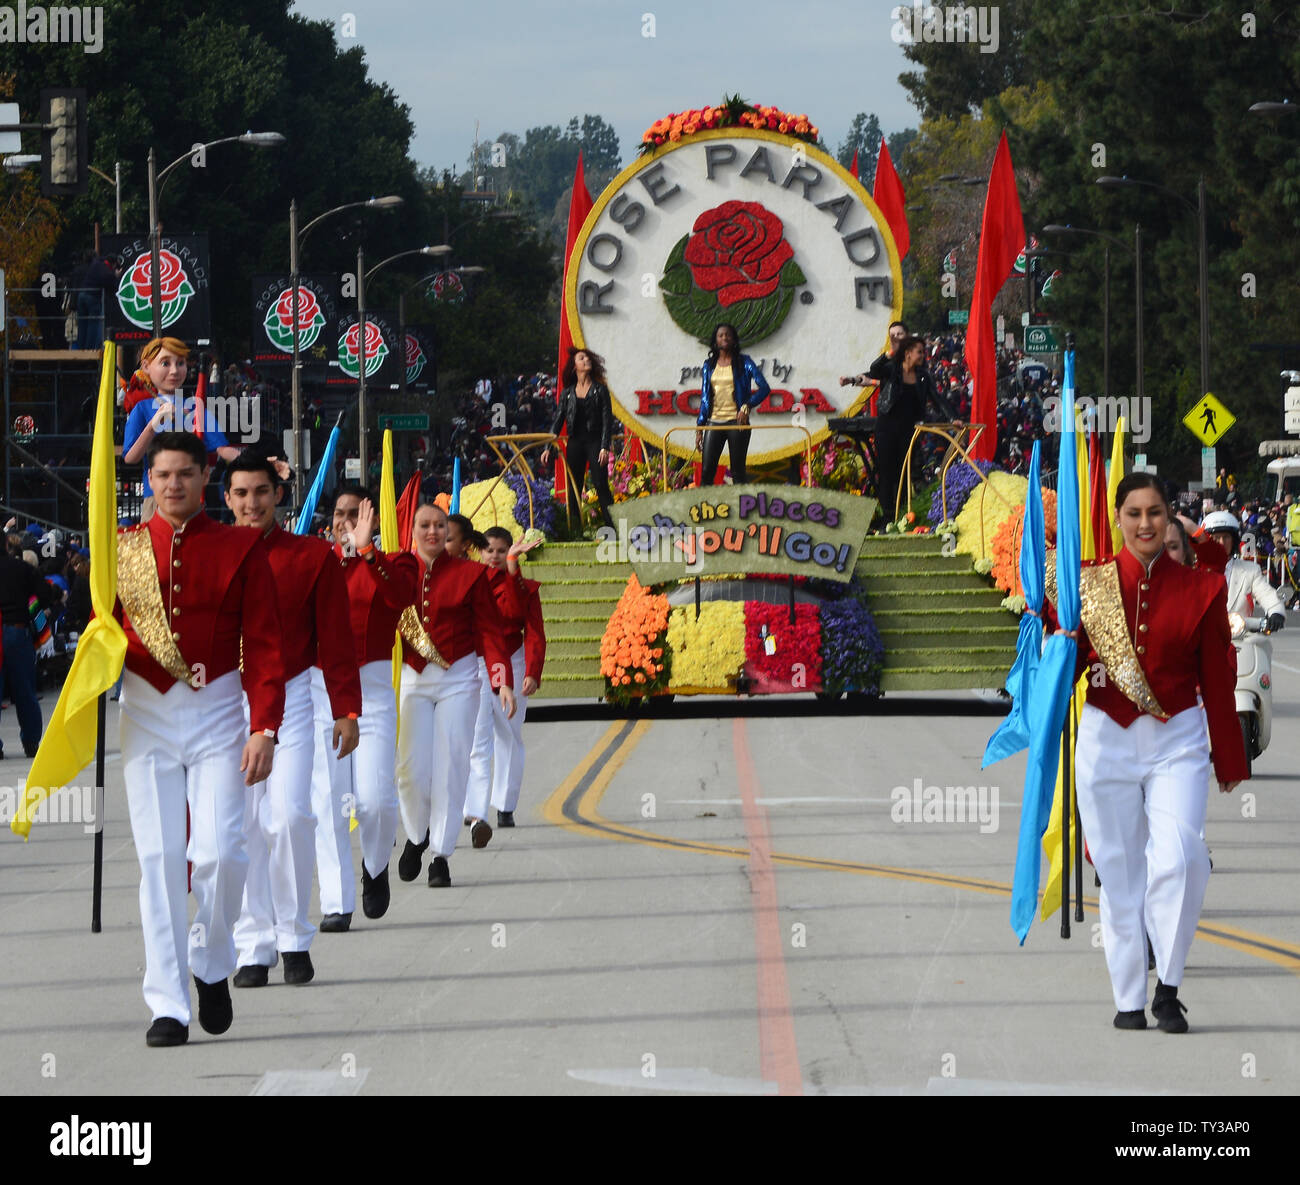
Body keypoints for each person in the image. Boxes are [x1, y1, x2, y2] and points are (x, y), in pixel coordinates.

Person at [1050, 473, 1246, 1033]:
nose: (1144, 524)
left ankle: (1170, 986)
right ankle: (1129, 997)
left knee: (1182, 856)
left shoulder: (1201, 589)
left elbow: (1217, 674)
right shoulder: (1087, 585)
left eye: (1155, 513)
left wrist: (1229, 757)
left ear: (1170, 518)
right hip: (1105, 737)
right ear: (1117, 518)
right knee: (1118, 870)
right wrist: (1054, 634)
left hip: (1177, 739)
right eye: (1133, 513)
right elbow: (1057, 657)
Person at [114, 432, 285, 1048]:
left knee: (221, 855)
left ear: (204, 477)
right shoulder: (124, 551)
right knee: (159, 863)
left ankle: (211, 962)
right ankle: (167, 1004)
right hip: (145, 714)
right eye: (162, 476)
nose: (173, 485)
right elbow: (100, 636)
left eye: (185, 474)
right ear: (149, 481)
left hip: (217, 712)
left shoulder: (241, 548)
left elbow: (265, 643)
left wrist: (265, 725)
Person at [223, 454, 361, 988]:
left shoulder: (311, 556)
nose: (252, 503)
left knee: (290, 817)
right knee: (242, 828)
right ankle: (254, 944)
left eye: (262, 492)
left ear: (277, 496)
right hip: (225, 702)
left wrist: (347, 707)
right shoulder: (213, 554)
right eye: (241, 493)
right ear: (228, 498)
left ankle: (294, 934)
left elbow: (335, 634)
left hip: (293, 698)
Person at [311, 487, 419, 932]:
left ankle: (375, 867)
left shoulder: (395, 564)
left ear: (371, 519)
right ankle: (336, 902)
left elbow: (402, 598)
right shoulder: (316, 561)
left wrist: (367, 550)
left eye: (354, 514)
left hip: (371, 691)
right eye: (339, 514)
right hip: (321, 690)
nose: (345, 521)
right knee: (328, 804)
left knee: (373, 801)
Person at [395, 502, 516, 888]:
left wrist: (502, 680)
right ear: (412, 530)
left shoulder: (472, 574)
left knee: (451, 766)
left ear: (450, 533)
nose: (433, 533)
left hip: (459, 677)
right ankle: (417, 836)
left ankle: (440, 855)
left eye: (440, 526)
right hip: (412, 677)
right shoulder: (398, 572)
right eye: (425, 525)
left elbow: (491, 632)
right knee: (409, 771)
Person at [465, 526, 545, 840]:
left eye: (502, 551)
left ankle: (505, 805)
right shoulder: (468, 581)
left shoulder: (524, 587)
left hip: (511, 660)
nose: (495, 556)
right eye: (490, 550)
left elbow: (532, 629)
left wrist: (532, 671)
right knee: (476, 738)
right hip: (477, 662)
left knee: (509, 735)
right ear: (479, 551)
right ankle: (475, 808)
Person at [122, 339, 239, 515]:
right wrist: (152, 426)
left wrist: (259, 461)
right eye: (165, 363)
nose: (175, 370)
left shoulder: (195, 408)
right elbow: (131, 457)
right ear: (146, 366)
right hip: (156, 497)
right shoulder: (142, 409)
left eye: (180, 363)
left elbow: (222, 449)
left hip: (191, 496)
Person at [870, 334, 955, 522]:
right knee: (887, 473)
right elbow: (874, 370)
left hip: (909, 430)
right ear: (908, 353)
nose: (923, 355)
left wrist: (953, 418)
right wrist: (889, 353)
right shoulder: (892, 369)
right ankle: (887, 515)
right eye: (919, 352)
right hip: (886, 429)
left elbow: (937, 398)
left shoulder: (923, 376)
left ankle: (902, 514)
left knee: (904, 472)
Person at [0, 541, 62, 757]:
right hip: (18, 631)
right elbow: (44, 595)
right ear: (5, 546)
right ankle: (31, 742)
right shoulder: (23, 569)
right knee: (25, 690)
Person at [542, 348, 615, 528]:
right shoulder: (567, 393)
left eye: (588, 358)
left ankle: (613, 528)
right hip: (575, 442)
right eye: (582, 358)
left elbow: (607, 420)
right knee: (574, 485)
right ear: (575, 367)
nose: (586, 360)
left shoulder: (600, 390)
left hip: (595, 442)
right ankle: (575, 529)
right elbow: (558, 422)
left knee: (600, 483)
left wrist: (605, 446)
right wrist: (547, 447)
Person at [694, 323, 771, 487]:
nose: (724, 338)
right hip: (714, 422)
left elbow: (764, 388)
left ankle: (741, 509)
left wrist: (747, 406)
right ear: (715, 340)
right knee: (707, 471)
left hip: (737, 423)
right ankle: (703, 509)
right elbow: (705, 398)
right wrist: (700, 427)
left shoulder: (745, 362)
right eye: (721, 335)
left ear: (734, 339)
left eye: (728, 335)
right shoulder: (709, 365)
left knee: (738, 472)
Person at [1201, 510, 1286, 632]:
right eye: (1216, 538)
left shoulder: (1250, 570)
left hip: (1240, 638)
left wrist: (1276, 611)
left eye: (1226, 537)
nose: (1221, 542)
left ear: (1234, 540)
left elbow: (1266, 593)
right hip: (1203, 638)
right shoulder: (1195, 571)